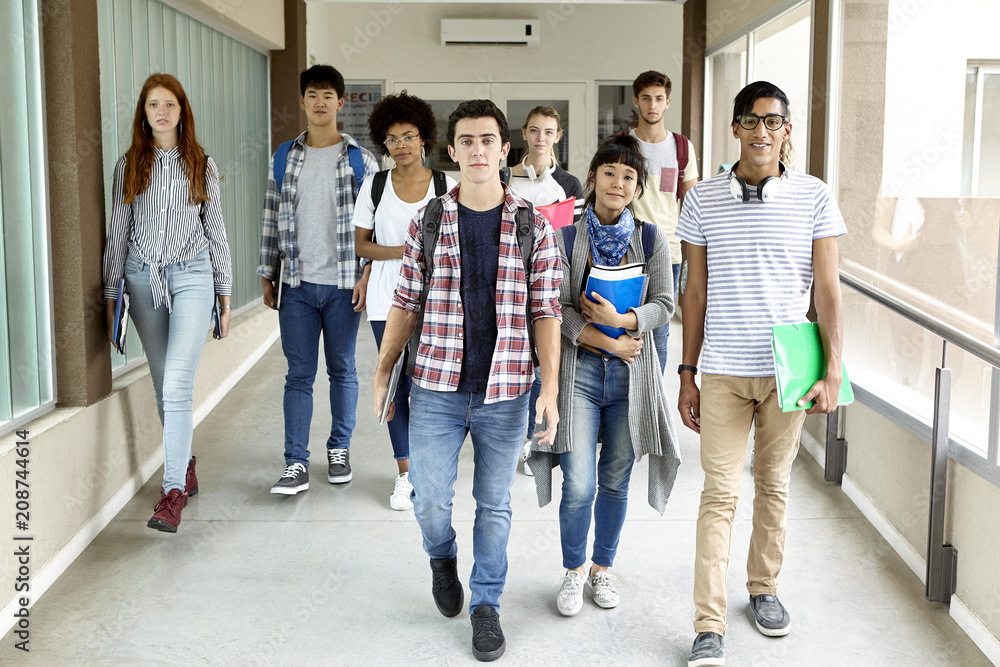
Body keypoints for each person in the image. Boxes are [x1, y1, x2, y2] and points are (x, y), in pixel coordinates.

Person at [372, 99, 562, 662]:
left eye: (488, 140)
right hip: (435, 385)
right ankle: (441, 557)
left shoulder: (533, 226)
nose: (478, 150)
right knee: (430, 498)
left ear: (505, 150)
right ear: (451, 152)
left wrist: (548, 389)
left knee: (494, 501)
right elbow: (406, 300)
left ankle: (486, 605)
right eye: (467, 141)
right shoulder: (428, 221)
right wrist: (384, 370)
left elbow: (545, 311)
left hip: (506, 390)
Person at [676, 81, 846, 667]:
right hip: (722, 368)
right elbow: (693, 291)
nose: (762, 131)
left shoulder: (815, 196)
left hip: (789, 372)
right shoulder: (700, 199)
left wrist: (833, 368)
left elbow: (826, 290)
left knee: (773, 487)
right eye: (750, 120)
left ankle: (763, 588)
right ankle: (707, 625)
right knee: (719, 495)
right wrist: (687, 371)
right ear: (735, 129)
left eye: (773, 121)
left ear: (787, 130)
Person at [527, 133, 681, 617]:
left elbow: (665, 304)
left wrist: (623, 322)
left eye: (629, 177)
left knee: (615, 479)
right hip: (581, 371)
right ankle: (573, 571)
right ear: (592, 179)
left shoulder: (652, 239)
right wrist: (606, 339)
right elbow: (556, 308)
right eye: (609, 173)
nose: (618, 183)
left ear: (638, 187)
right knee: (579, 482)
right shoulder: (566, 237)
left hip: (633, 375)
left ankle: (602, 569)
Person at [102, 73, 233, 533]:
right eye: (153, 104)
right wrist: (110, 295)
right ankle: (187, 463)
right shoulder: (128, 165)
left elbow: (216, 229)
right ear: (144, 112)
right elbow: (117, 231)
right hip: (141, 279)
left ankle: (171, 490)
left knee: (178, 382)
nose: (162, 112)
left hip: (193, 275)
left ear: (182, 111)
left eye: (170, 104)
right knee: (164, 385)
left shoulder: (201, 163)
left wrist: (225, 291)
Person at [258, 64, 379, 495]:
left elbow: (375, 225)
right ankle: (295, 463)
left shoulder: (361, 160)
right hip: (297, 284)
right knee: (298, 374)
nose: (321, 102)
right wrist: (266, 272)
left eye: (329, 94)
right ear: (304, 101)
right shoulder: (284, 155)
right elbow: (271, 215)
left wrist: (367, 274)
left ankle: (339, 448)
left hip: (345, 283)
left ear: (341, 102)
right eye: (313, 94)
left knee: (343, 369)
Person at [352, 91, 457, 510]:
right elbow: (362, 244)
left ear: (424, 138)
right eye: (392, 139)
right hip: (386, 300)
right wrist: (405, 252)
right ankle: (405, 473)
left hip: (438, 302)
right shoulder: (374, 185)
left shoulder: (448, 185)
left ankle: (431, 468)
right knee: (394, 385)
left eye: (408, 136)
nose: (401, 146)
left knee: (431, 388)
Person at [506, 105, 584, 476]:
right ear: (524, 132)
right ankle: (516, 437)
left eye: (548, 131)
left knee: (547, 362)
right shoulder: (506, 176)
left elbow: (575, 236)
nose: (541, 137)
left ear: (558, 136)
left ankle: (539, 439)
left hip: (551, 280)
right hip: (509, 281)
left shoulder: (569, 184)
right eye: (534, 130)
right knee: (516, 358)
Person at [628, 70, 700, 375]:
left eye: (658, 98)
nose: (652, 105)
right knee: (625, 323)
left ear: (668, 102)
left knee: (659, 330)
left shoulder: (682, 148)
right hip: (625, 249)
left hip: (668, 253)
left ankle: (652, 398)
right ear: (636, 102)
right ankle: (627, 397)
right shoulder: (623, 145)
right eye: (646, 98)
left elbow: (694, 204)